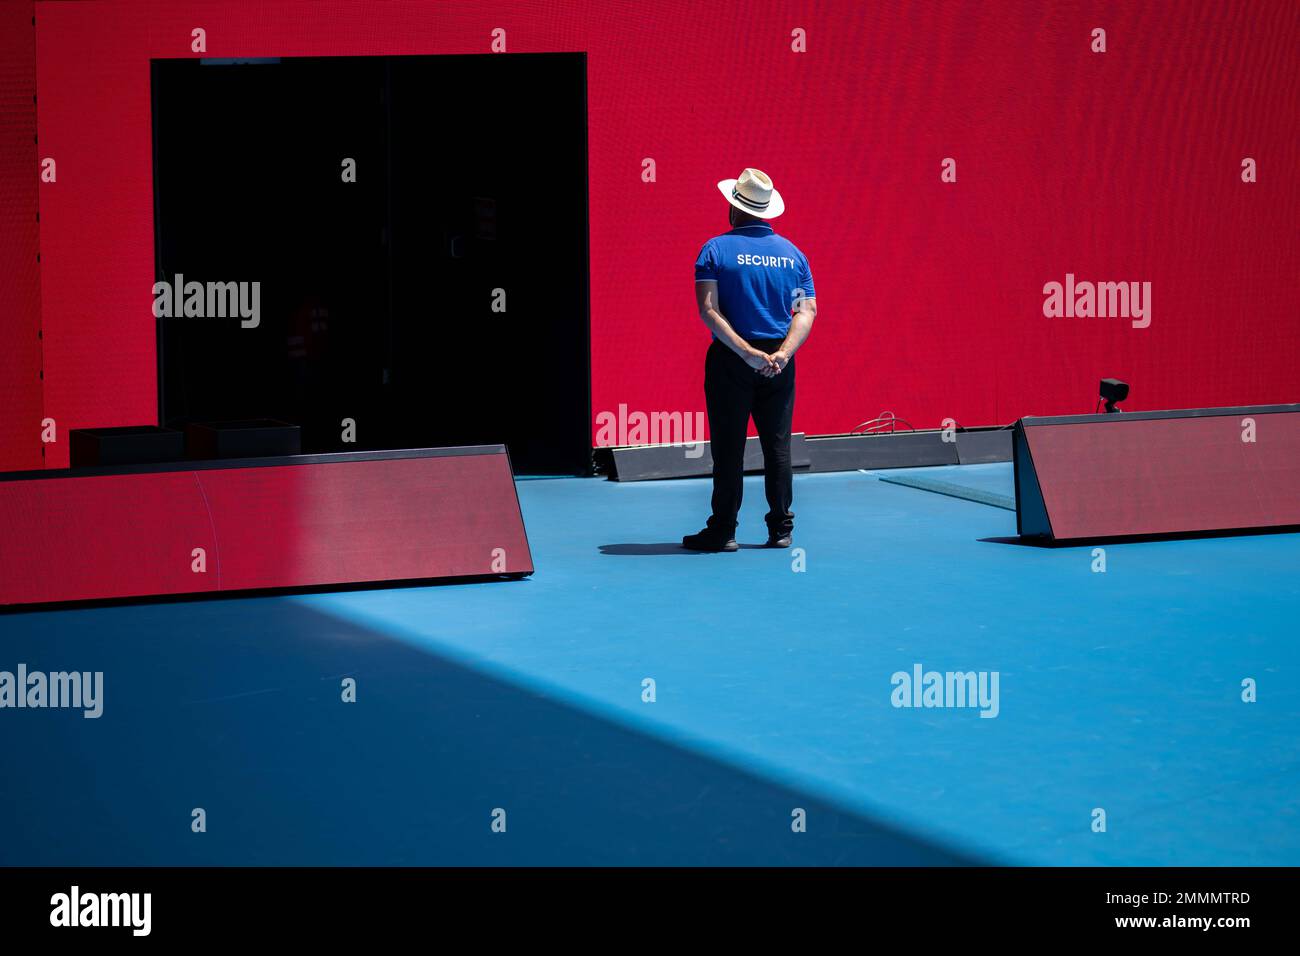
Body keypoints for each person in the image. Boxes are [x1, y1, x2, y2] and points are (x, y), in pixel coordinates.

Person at [684, 168, 817, 552]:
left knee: (729, 446)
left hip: (732, 358)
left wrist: (746, 353)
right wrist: (781, 355)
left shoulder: (714, 249)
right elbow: (806, 311)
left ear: (734, 206)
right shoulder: (794, 256)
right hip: (779, 361)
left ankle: (723, 529)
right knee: (778, 446)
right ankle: (781, 529)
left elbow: (709, 310)